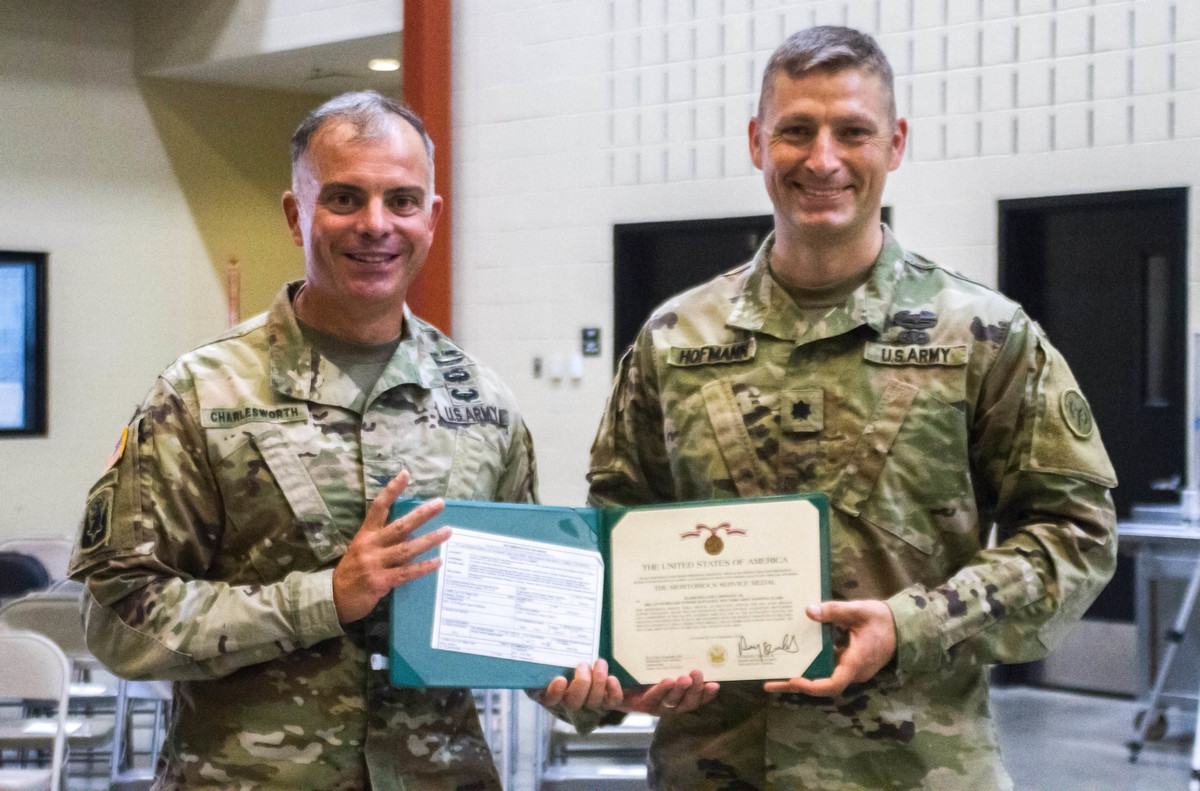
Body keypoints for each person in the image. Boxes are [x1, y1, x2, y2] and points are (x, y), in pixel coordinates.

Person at [583, 26, 1118, 790]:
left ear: (895, 143)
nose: (823, 159)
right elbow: (614, 534)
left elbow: (1078, 535)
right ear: (756, 143)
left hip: (915, 768)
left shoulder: (983, 334)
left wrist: (913, 625)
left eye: (853, 131)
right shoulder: (675, 340)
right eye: (795, 131)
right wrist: (613, 670)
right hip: (716, 766)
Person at [69, 91, 539, 790]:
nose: (376, 225)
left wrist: (585, 680)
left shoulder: (484, 404)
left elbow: (524, 611)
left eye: (402, 200)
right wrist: (326, 597)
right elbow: (118, 623)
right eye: (345, 198)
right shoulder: (201, 395)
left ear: (431, 218)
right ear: (297, 214)